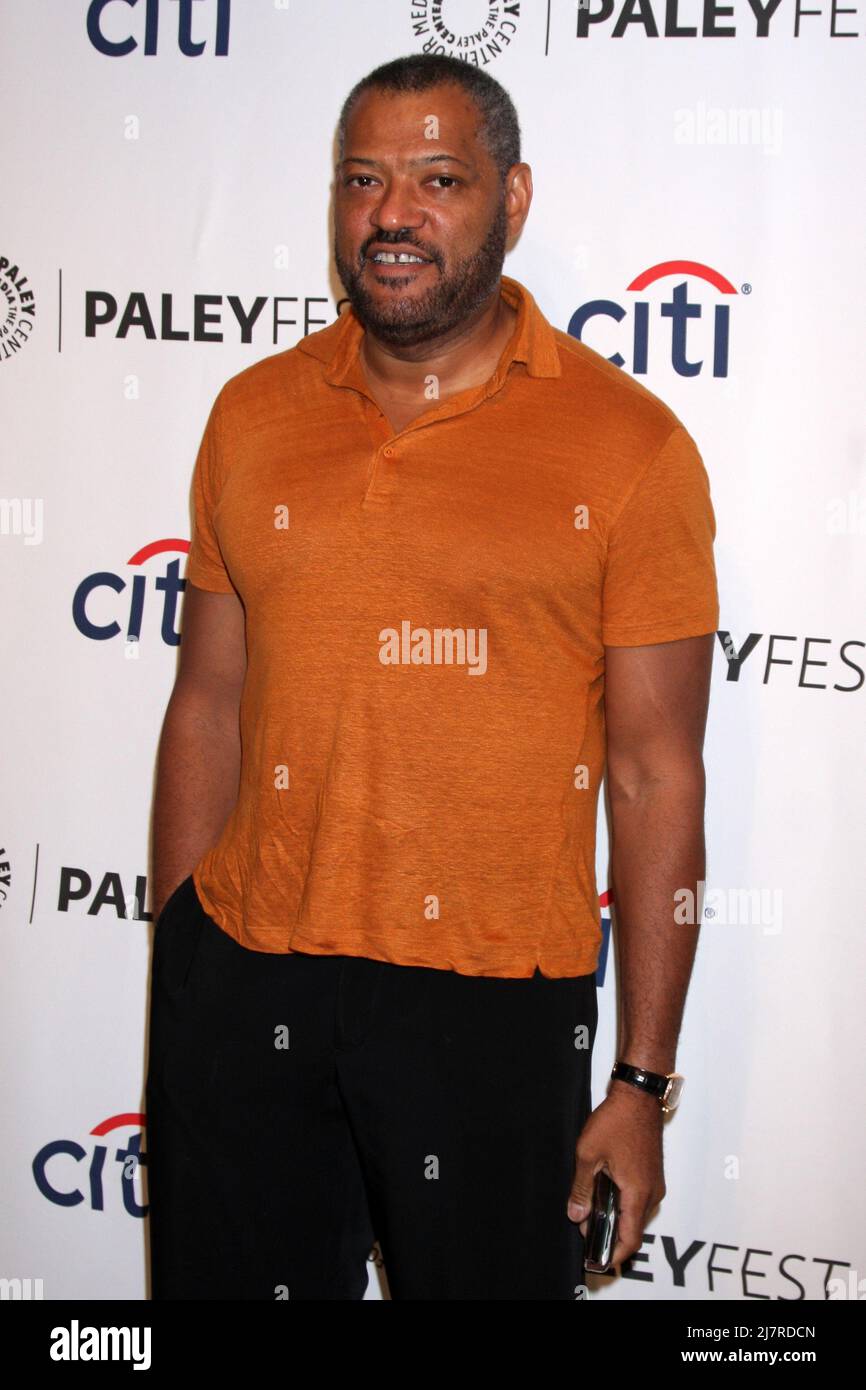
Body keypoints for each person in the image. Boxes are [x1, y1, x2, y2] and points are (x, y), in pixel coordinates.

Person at [145, 52, 719, 1301]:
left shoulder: (629, 450)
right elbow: (208, 699)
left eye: (435, 179)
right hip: (245, 977)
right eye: (362, 180)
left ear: (511, 202)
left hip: (489, 1009)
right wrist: (180, 951)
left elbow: (653, 765)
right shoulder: (252, 413)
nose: (390, 215)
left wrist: (638, 1083)